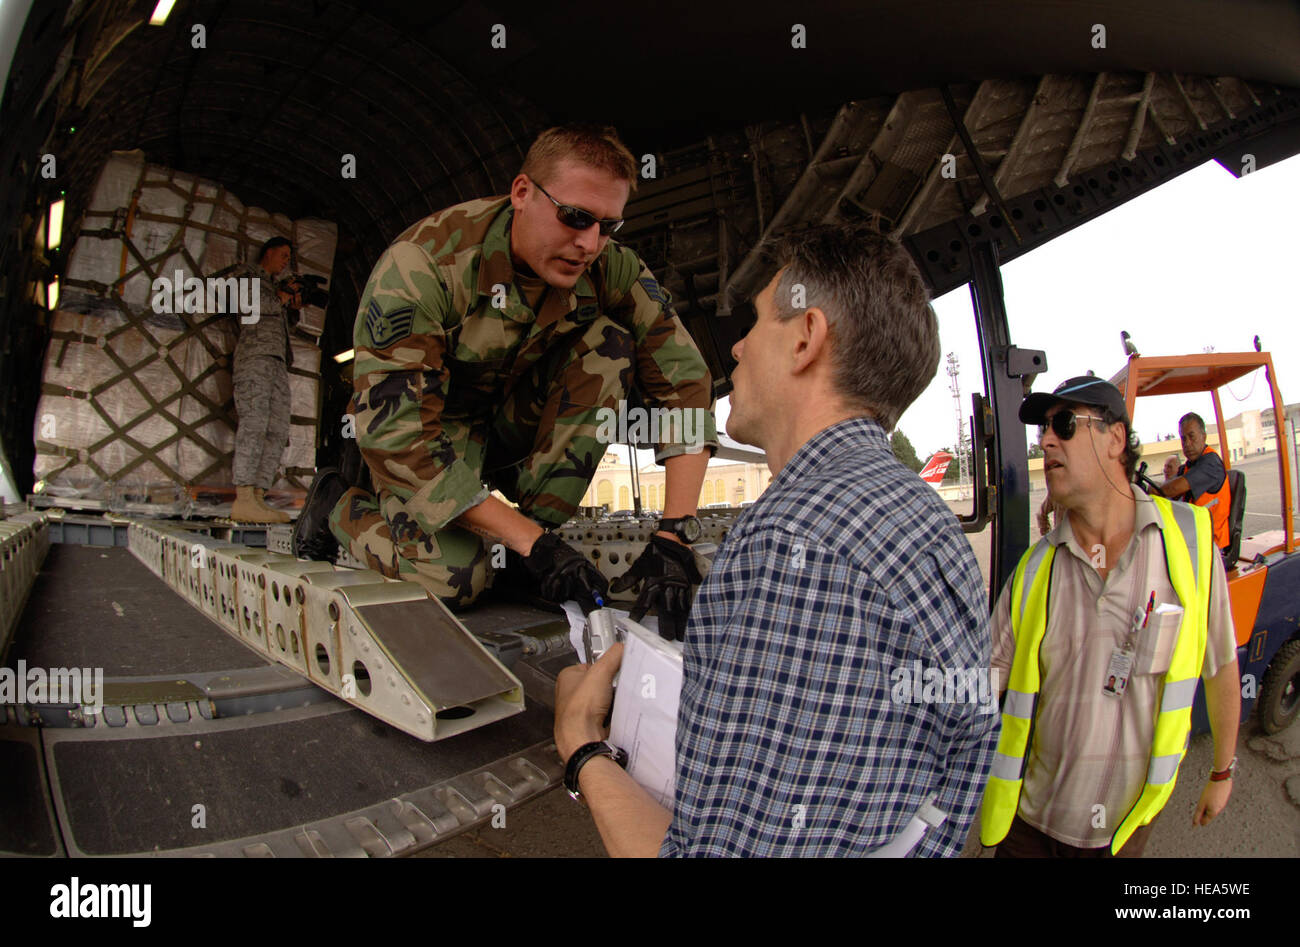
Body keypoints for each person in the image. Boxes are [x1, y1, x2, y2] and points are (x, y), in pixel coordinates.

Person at [554, 224, 998, 857]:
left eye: (756, 322)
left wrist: (582, 748)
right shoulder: (918, 516)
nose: (734, 348)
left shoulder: (795, 546)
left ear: (805, 338)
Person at [294, 125, 718, 632]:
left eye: (607, 226)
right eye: (575, 217)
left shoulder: (611, 268)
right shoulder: (425, 265)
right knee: (454, 579)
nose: (589, 243)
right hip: (427, 437)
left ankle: (532, 537)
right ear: (522, 193)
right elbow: (397, 434)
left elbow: (685, 380)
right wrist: (528, 542)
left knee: (610, 349)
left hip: (508, 422)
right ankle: (338, 504)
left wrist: (674, 535)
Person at [982, 376, 1240, 858]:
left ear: (1116, 438)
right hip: (1029, 829)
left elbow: (1221, 664)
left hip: (1124, 832)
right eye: (1044, 431)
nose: (1047, 440)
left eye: (1064, 424)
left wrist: (1221, 772)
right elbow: (981, 684)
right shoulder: (1036, 570)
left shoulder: (1188, 543)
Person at [230, 236, 300, 523]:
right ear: (268, 252)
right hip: (254, 358)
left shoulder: (273, 288)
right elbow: (249, 306)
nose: (285, 262)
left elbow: (284, 324)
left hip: (277, 362)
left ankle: (258, 495)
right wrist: (280, 298)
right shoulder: (246, 275)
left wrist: (291, 304)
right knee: (255, 423)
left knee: (277, 428)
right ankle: (243, 496)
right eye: (283, 255)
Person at [1160, 412, 1232, 561]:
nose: (1187, 443)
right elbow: (1170, 484)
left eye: (1191, 436)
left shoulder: (1211, 464)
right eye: (1183, 438)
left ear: (1204, 436)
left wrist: (1152, 490)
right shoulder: (1189, 466)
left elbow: (1173, 488)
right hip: (1194, 538)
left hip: (1210, 545)